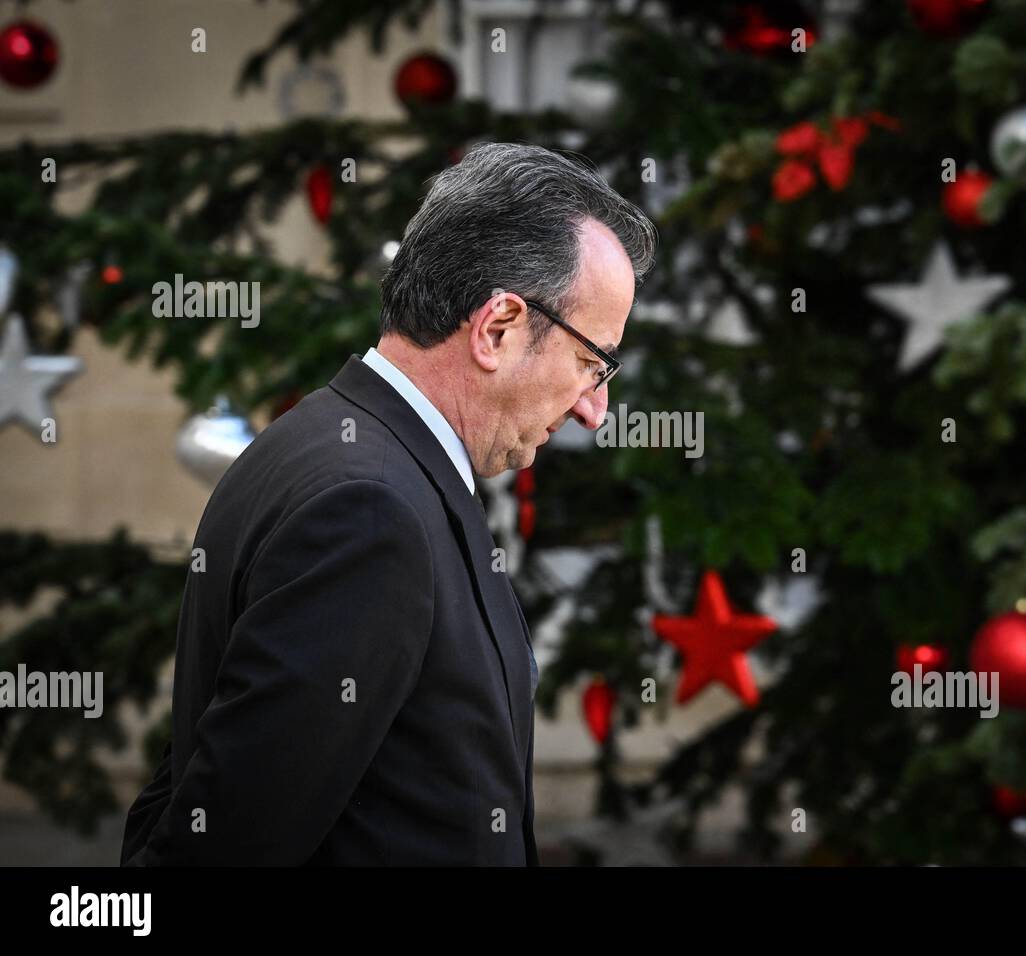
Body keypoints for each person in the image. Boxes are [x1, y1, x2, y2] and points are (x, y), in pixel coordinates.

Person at [119, 142, 657, 865]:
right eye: (593, 363)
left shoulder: (323, 446)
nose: (596, 409)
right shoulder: (370, 510)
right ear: (497, 328)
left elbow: (188, 780)